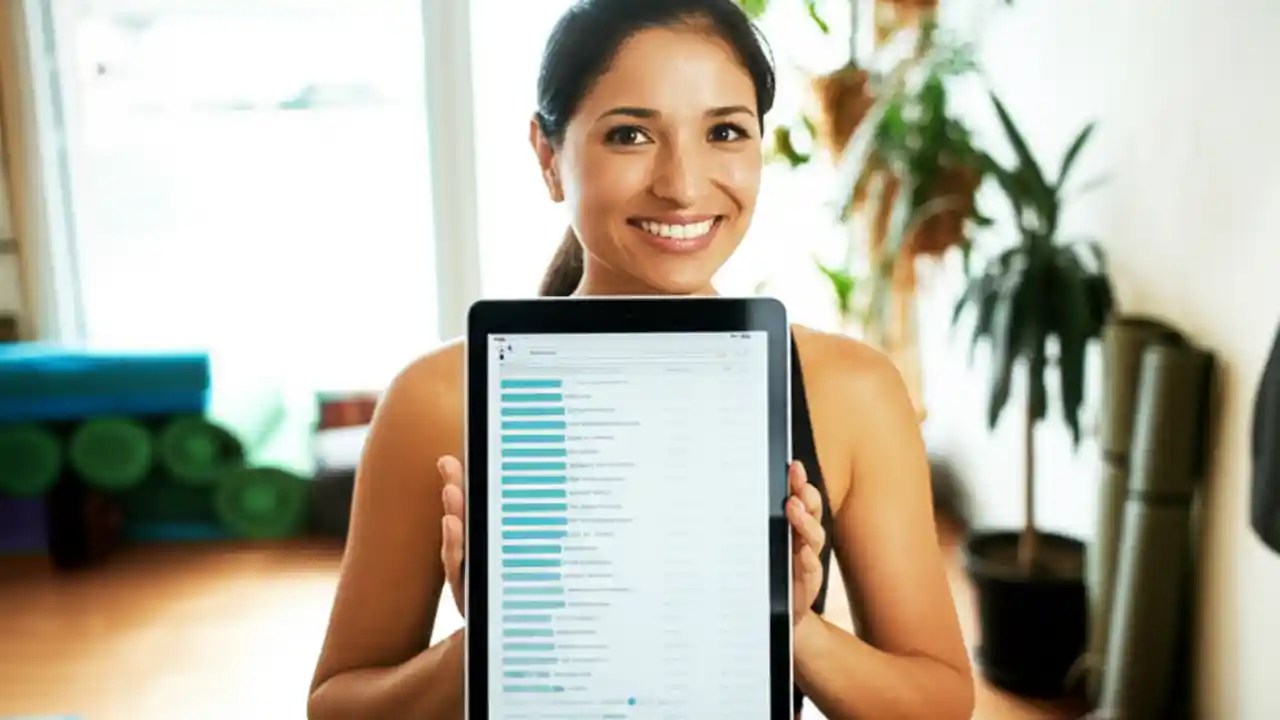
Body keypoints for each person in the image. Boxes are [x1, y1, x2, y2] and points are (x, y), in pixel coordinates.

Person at [307, 0, 973, 717]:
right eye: (630, 134)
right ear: (547, 157)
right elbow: (339, 705)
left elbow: (938, 700)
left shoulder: (853, 393)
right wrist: (495, 640)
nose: (683, 185)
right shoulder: (439, 399)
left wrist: (793, 627)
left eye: (724, 131)